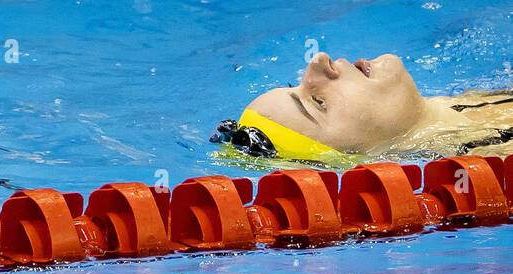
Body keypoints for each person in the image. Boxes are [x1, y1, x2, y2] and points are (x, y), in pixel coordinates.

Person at [214, 52, 513, 161]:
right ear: (367, 160)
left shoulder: (467, 103)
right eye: (319, 102)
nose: (318, 62)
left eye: (295, 83)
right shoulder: (497, 161)